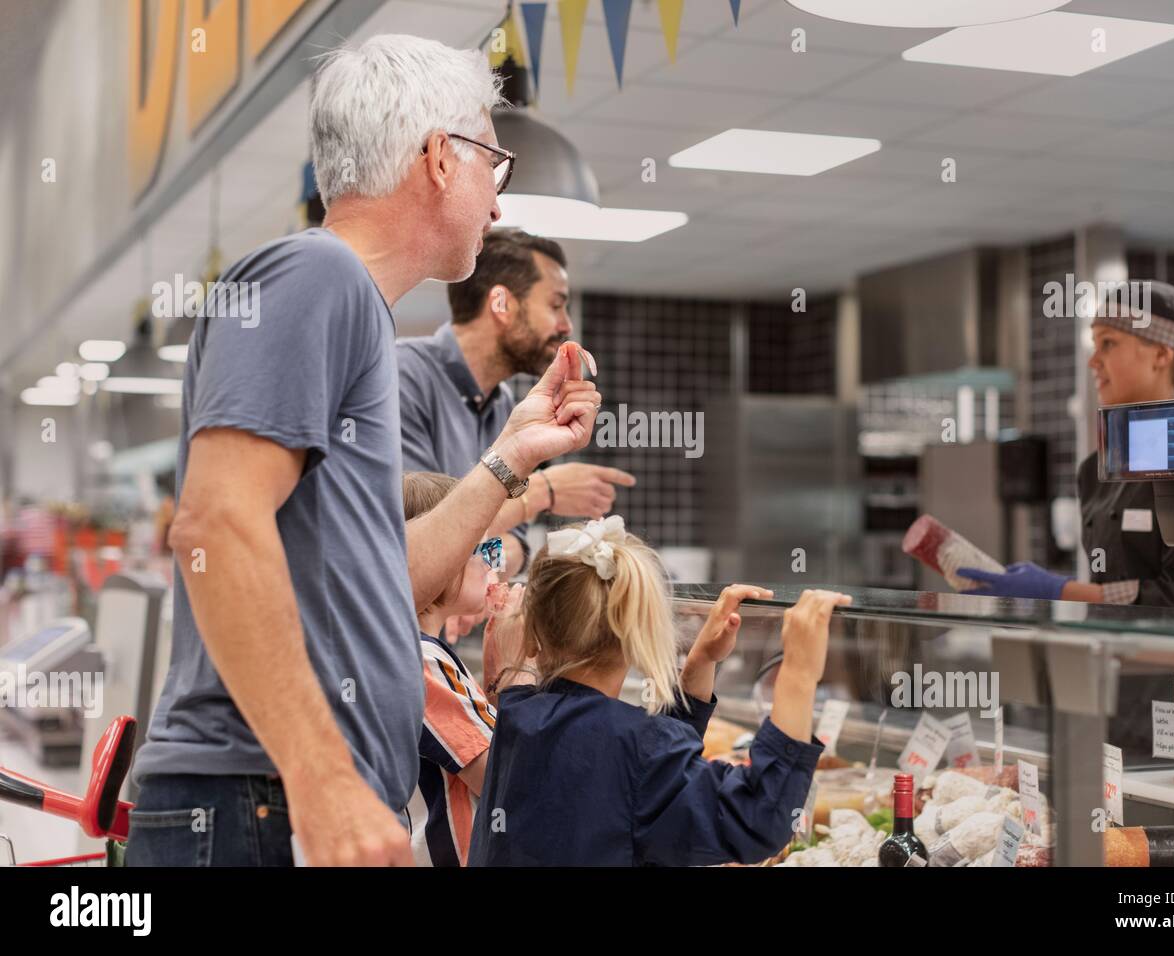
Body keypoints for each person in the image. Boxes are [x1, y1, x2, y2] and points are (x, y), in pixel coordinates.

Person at [127, 34, 602, 867]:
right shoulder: (316, 275)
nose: (498, 206)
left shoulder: (353, 310)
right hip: (259, 796)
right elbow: (213, 526)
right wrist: (324, 781)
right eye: (494, 162)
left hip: (283, 797)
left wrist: (511, 457)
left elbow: (389, 577)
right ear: (437, 159)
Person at [469, 515, 850, 867]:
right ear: (639, 638)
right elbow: (760, 818)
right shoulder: (638, 745)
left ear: (534, 636)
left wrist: (699, 663)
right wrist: (798, 674)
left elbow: (639, 792)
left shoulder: (521, 714)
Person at [960, 280, 1174, 607]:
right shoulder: (1095, 470)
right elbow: (1107, 584)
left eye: (1108, 344)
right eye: (1095, 345)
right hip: (1111, 653)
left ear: (1161, 354)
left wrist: (1059, 591)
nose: (1093, 361)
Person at [397, 228, 636, 584]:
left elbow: (514, 548)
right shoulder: (404, 377)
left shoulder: (503, 403)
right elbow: (420, 534)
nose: (566, 324)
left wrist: (476, 566)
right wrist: (543, 491)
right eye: (556, 305)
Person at [400, 471, 528, 867]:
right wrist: (521, 673)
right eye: (484, 546)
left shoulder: (434, 655)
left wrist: (494, 678)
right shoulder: (421, 661)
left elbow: (479, 742)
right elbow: (508, 780)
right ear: (442, 551)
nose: (497, 563)